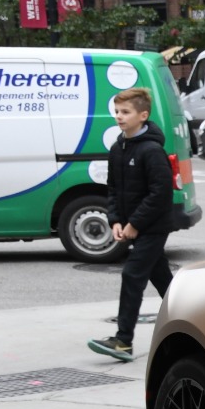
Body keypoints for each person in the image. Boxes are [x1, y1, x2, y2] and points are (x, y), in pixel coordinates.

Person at [87, 87, 173, 362]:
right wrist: (115, 220)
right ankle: (202, 322)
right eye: (117, 112)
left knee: (132, 275)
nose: (119, 117)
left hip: (153, 226)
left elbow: (160, 193)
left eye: (126, 112)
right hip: (133, 225)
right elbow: (113, 189)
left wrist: (135, 223)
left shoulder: (151, 150)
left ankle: (123, 341)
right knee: (164, 282)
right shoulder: (118, 148)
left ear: (143, 115)